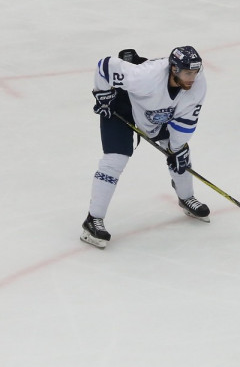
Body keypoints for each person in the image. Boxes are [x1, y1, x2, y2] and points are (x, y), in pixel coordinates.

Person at [84, 46, 209, 249]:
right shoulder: (144, 76)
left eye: (195, 72)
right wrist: (103, 94)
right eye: (188, 73)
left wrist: (177, 149)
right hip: (123, 108)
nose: (192, 78)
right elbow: (104, 66)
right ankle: (93, 220)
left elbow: (186, 120)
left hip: (157, 114)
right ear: (174, 69)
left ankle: (186, 197)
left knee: (179, 152)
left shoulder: (197, 84)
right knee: (115, 160)